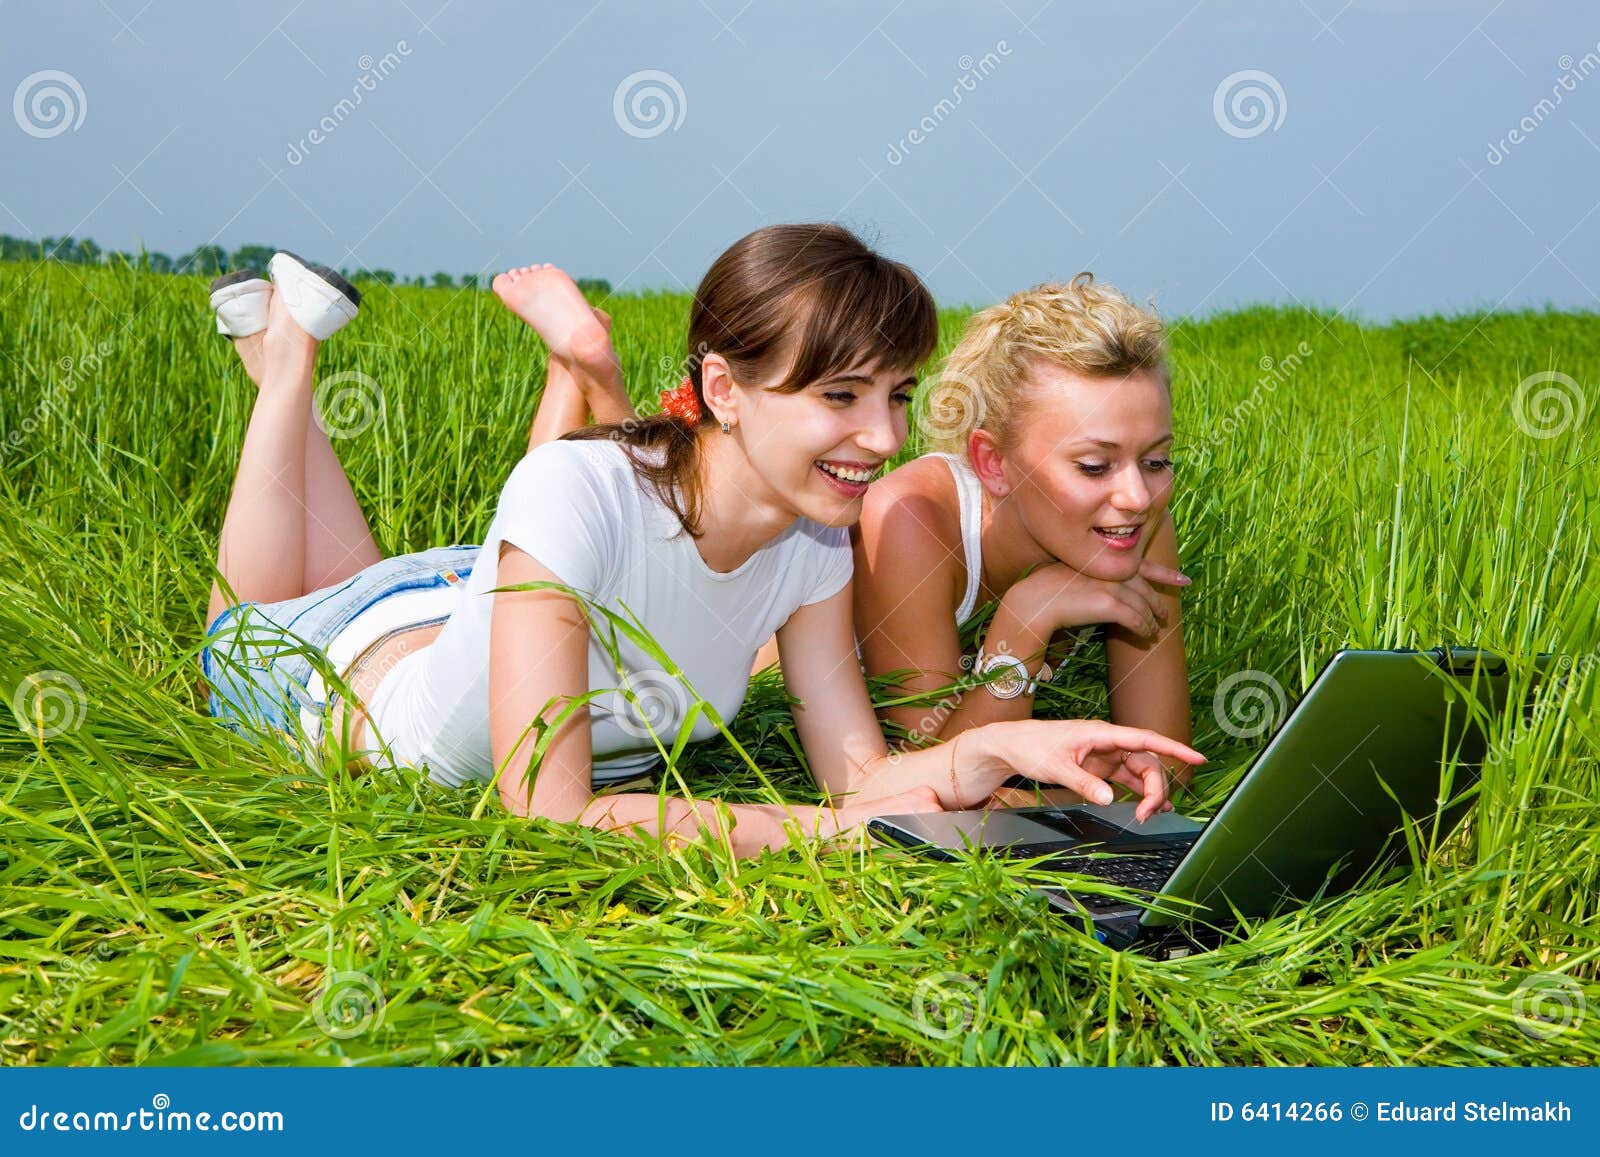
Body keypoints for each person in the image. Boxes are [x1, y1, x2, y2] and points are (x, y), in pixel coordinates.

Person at [199, 229, 1203, 861]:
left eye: (897, 396)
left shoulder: (815, 545)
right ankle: (285, 363)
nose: (884, 438)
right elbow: (547, 811)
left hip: (463, 595)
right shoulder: (575, 488)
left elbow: (856, 775)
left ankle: (286, 350)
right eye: (839, 396)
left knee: (381, 570)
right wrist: (829, 834)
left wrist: (990, 750)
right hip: (328, 675)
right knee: (235, 631)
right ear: (723, 388)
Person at [850, 277, 1192, 807]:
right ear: (993, 463)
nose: (1136, 496)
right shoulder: (909, 521)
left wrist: (1028, 804)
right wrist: (1026, 621)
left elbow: (1166, 766)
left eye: (1155, 461)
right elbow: (931, 786)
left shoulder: (1135, 525)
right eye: (1094, 466)